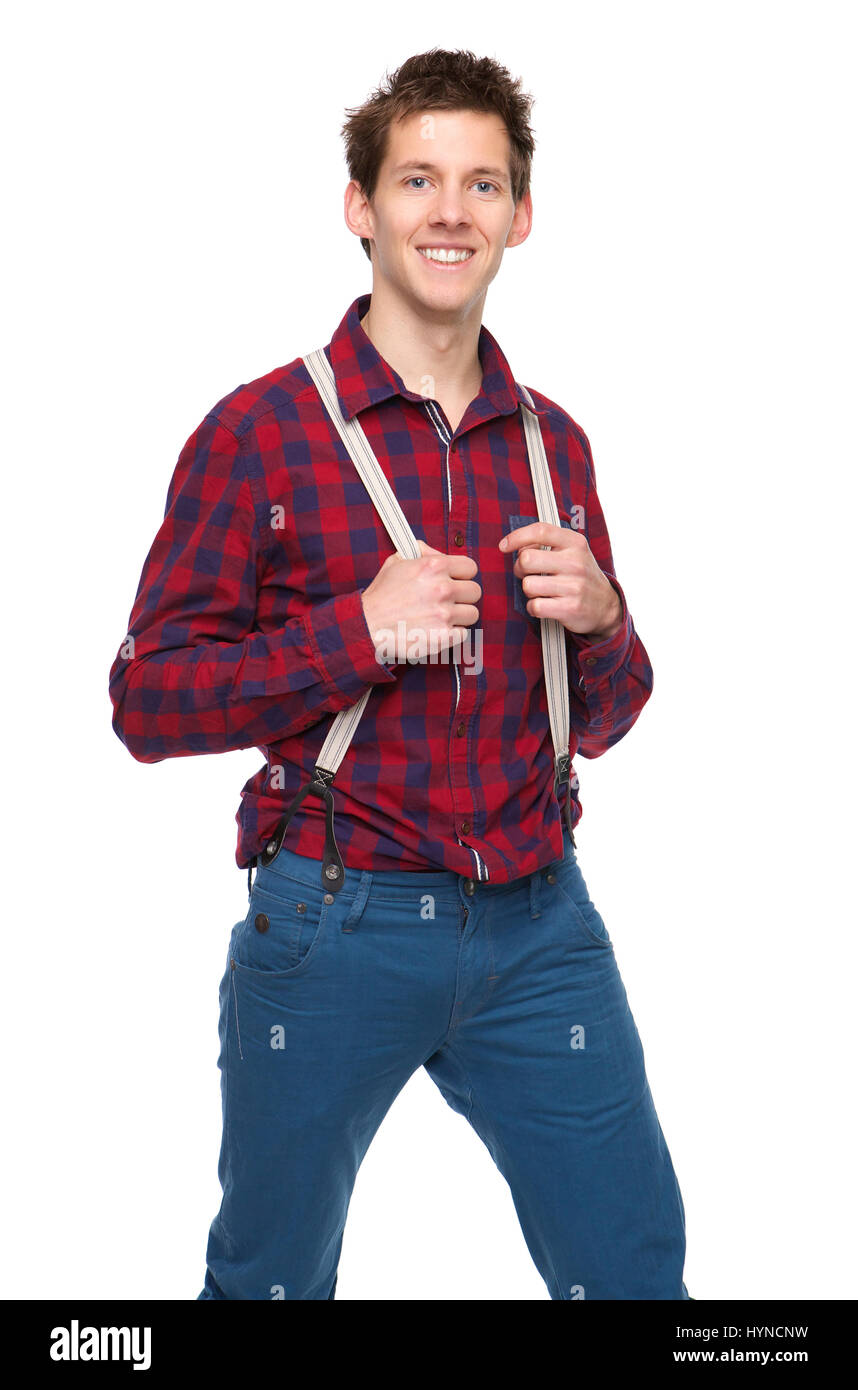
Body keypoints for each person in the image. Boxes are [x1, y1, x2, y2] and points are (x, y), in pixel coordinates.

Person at [109, 47, 690, 1301]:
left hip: (543, 929)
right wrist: (352, 634)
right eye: (418, 180)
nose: (450, 211)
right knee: (269, 1286)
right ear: (361, 206)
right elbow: (144, 701)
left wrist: (602, 617)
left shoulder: (556, 444)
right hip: (335, 926)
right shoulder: (257, 433)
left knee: (637, 1276)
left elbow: (609, 717)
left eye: (483, 186)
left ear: (520, 217)